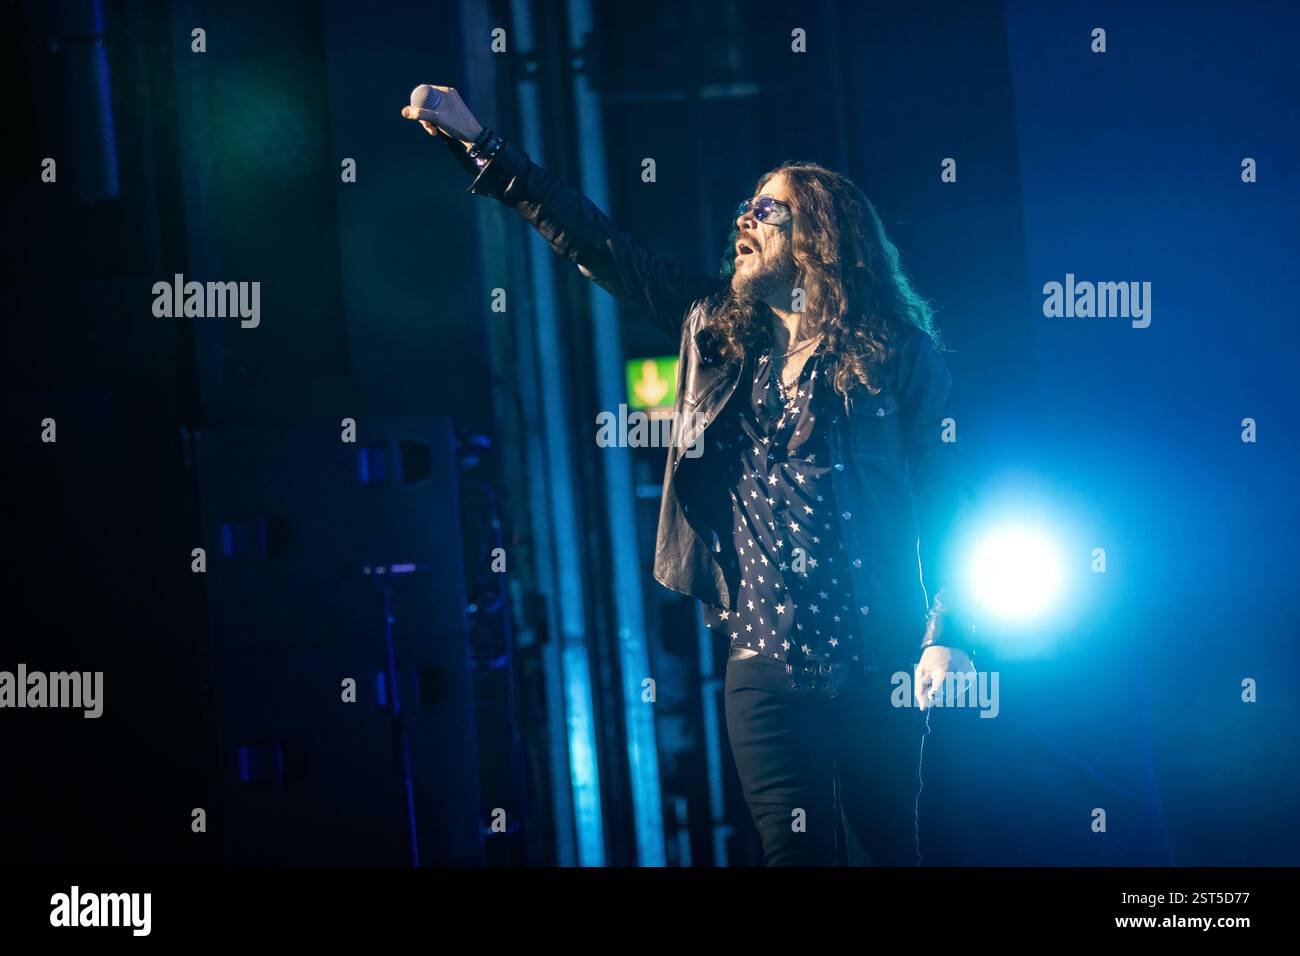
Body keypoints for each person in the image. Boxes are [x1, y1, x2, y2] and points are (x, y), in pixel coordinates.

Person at [403, 87, 977, 866]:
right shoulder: (714, 331)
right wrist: (481, 144)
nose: (744, 217)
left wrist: (948, 634)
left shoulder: (898, 356)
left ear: (820, 237)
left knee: (888, 855)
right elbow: (594, 242)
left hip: (877, 659)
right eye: (745, 205)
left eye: (767, 210)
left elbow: (945, 498)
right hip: (763, 669)